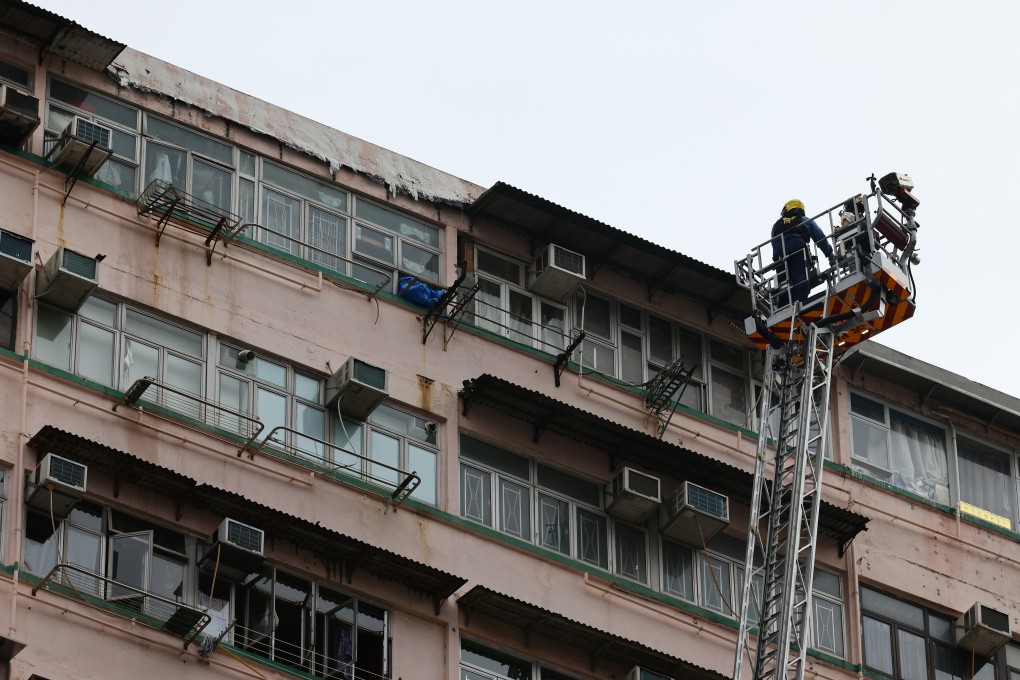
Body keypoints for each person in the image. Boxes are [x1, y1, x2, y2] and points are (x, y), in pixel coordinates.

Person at [771, 199, 835, 306]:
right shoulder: (803, 220)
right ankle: (799, 302)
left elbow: (774, 242)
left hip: (779, 256)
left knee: (783, 282)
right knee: (801, 278)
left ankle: (782, 305)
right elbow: (819, 237)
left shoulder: (776, 225)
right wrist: (830, 254)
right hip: (798, 249)